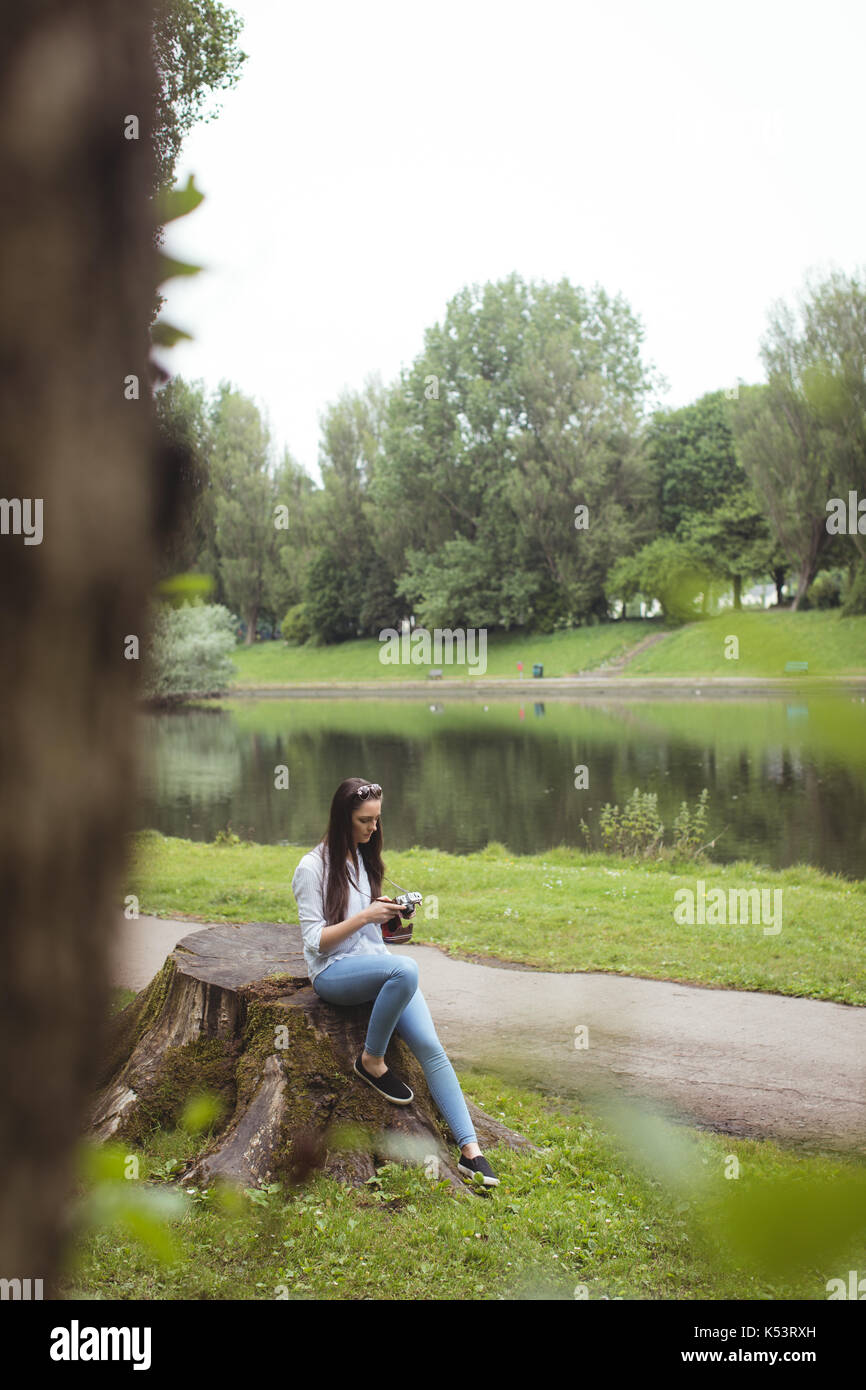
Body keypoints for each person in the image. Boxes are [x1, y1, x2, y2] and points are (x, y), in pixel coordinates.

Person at [291, 776, 499, 1188]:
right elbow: (316, 941)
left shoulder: (362, 859)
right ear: (341, 819)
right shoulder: (311, 867)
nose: (373, 830)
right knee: (406, 970)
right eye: (364, 821)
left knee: (431, 1048)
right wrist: (366, 916)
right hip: (333, 973)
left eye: (377, 821)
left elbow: (367, 931)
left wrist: (386, 914)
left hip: (375, 964)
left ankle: (470, 1151)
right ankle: (371, 1060)